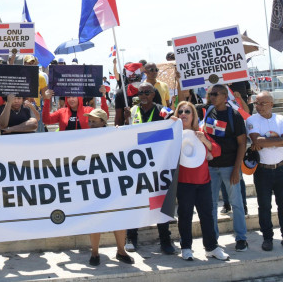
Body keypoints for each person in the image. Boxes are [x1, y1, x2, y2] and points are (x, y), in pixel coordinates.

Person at [172, 102, 230, 261]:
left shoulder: (201, 132)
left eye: (187, 111)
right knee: (185, 216)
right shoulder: (173, 133)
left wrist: (205, 140)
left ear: (193, 115)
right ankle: (186, 247)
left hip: (203, 182)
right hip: (184, 183)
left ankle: (211, 247)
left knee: (207, 216)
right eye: (181, 111)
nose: (184, 114)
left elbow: (216, 151)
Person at [245, 92, 283, 252]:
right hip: (262, 170)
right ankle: (267, 238)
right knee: (264, 206)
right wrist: (280, 140)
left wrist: (267, 141)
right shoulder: (252, 120)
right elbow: (257, 140)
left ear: (271, 104)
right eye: (256, 103)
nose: (258, 106)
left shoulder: (280, 119)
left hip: (280, 169)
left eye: (262, 103)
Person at [123, 82, 175, 254]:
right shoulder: (132, 111)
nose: (144, 95)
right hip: (137, 166)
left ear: (153, 94)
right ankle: (131, 237)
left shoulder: (163, 111)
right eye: (141, 93)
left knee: (160, 202)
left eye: (147, 92)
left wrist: (143, 138)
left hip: (158, 164)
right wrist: (125, 120)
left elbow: (172, 131)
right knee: (135, 201)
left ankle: (165, 240)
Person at [83, 108, 133, 266]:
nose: (91, 124)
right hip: (94, 184)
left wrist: (124, 126)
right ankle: (95, 252)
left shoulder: (114, 135)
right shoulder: (82, 137)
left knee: (119, 218)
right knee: (95, 219)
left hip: (113, 183)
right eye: (89, 121)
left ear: (103, 122)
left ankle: (121, 250)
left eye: (94, 121)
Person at [204, 84, 249, 252]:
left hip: (229, 167)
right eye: (210, 94)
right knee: (211, 205)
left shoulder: (234, 116)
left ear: (224, 96)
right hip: (211, 168)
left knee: (237, 203)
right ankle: (212, 240)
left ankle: (241, 238)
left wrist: (237, 170)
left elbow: (242, 143)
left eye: (215, 94)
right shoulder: (208, 111)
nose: (211, 97)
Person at [40, 89, 109, 131]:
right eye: (68, 97)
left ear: (79, 98)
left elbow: (105, 116)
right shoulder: (61, 111)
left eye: (74, 96)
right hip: (66, 147)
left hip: (86, 146)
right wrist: (47, 100)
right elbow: (46, 120)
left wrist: (103, 97)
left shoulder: (89, 110)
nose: (71, 99)